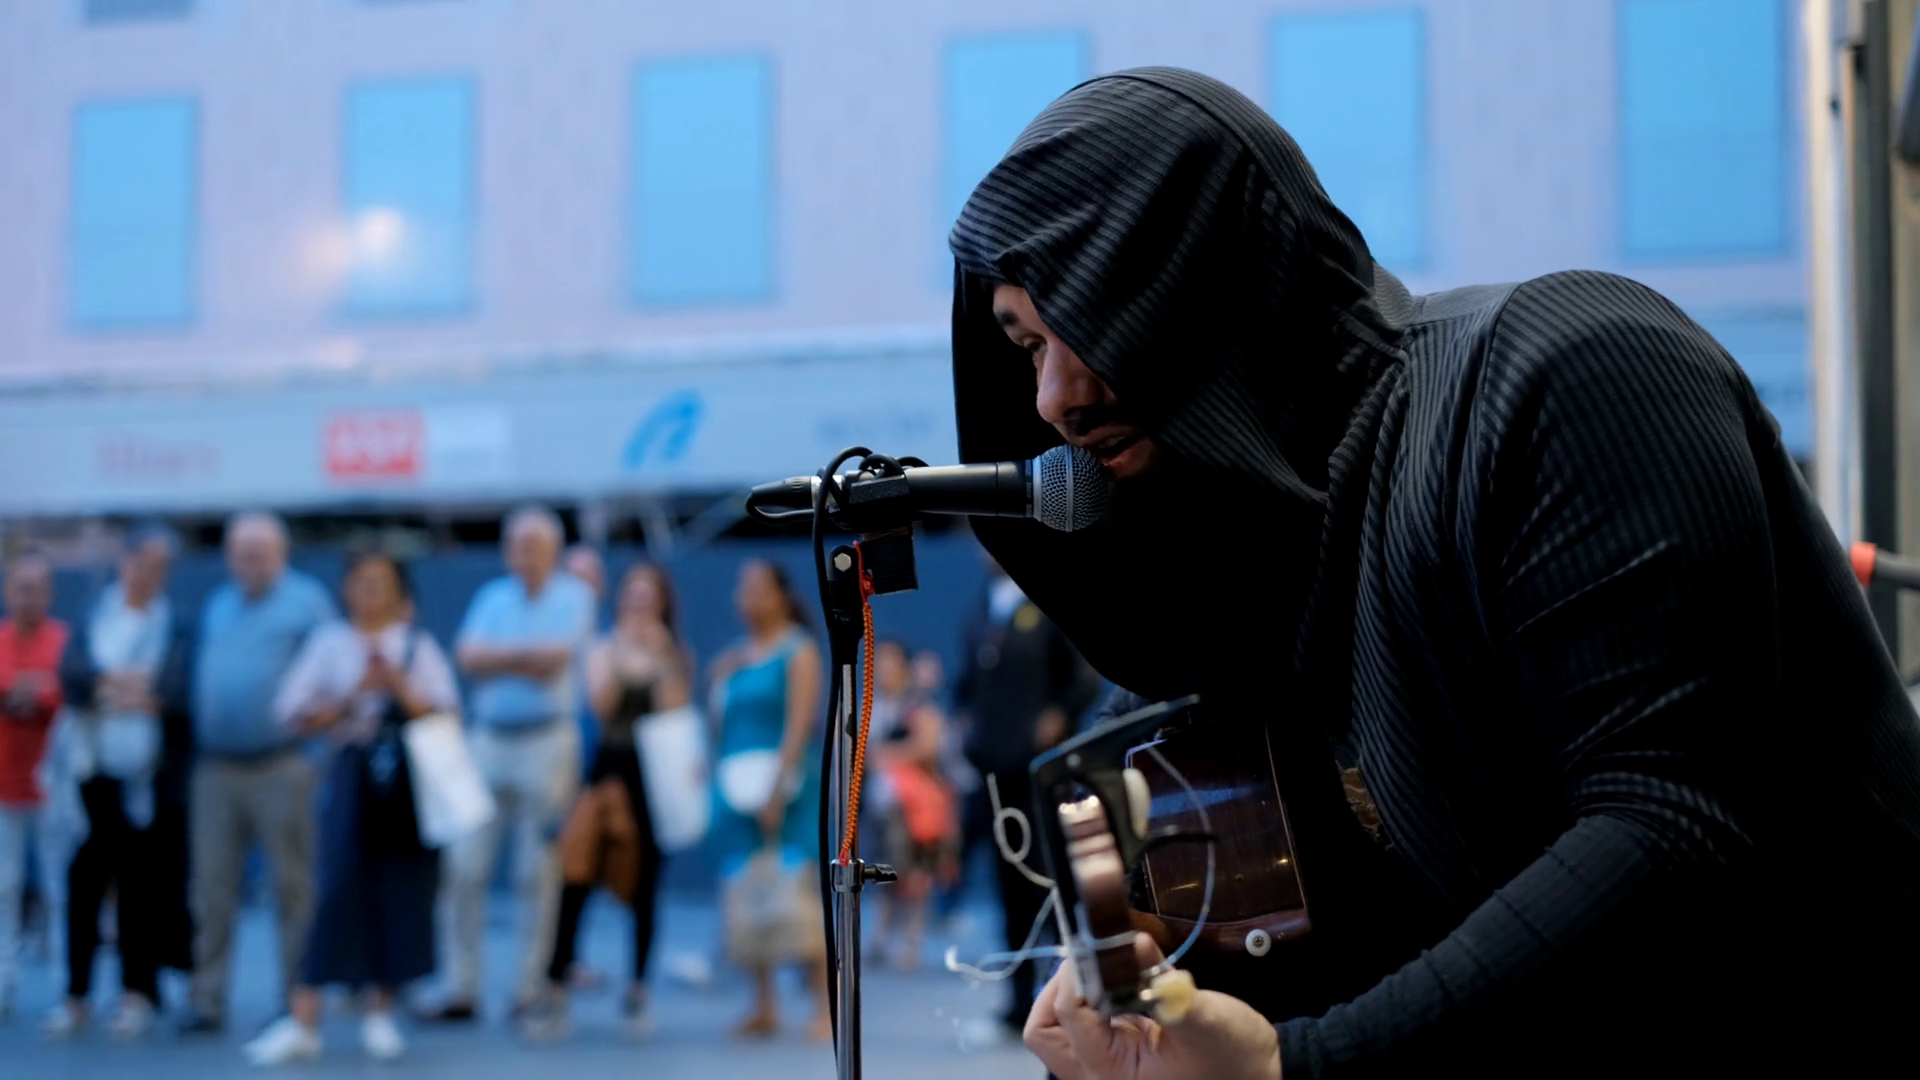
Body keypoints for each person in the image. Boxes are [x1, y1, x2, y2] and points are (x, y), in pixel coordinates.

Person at [945, 67, 1920, 1078]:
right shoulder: (1242, 602)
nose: (1055, 394)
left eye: (1087, 313)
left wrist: (1297, 1069)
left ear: (1214, 274)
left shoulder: (1569, 370)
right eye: (1024, 343)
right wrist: (1138, 1020)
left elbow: (1672, 824)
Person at [243, 551, 458, 1065]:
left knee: (398, 893)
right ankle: (305, 1018)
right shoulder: (330, 644)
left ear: (397, 593)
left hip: (405, 787)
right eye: (361, 582)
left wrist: (401, 689)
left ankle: (380, 1013)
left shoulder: (415, 645)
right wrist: (351, 698)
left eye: (380, 583)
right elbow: (291, 713)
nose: (370, 593)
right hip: (350, 778)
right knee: (337, 891)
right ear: (346, 590)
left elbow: (446, 711)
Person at [424, 505, 593, 1023]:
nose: (526, 556)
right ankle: (460, 986)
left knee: (534, 873)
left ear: (553, 551)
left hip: (547, 742)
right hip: (489, 742)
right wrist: (521, 659)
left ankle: (528, 986)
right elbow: (468, 657)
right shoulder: (492, 597)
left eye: (535, 546)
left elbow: (554, 661)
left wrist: (500, 658)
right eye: (518, 546)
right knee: (463, 867)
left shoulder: (575, 596)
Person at [182, 511, 335, 1035]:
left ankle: (297, 998)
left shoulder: (307, 602)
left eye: (260, 551)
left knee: (292, 888)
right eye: (241, 551)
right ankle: (207, 998)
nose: (250, 561)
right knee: (211, 888)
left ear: (281, 553)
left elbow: (332, 674)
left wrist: (316, 742)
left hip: (282, 765)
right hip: (217, 768)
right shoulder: (219, 604)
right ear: (228, 555)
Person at [523, 561, 689, 1041]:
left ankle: (638, 992)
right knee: (575, 877)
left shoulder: (672, 653)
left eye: (648, 598)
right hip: (607, 774)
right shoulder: (602, 647)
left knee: (645, 888)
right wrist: (625, 655)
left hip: (652, 780)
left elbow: (673, 706)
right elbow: (602, 705)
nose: (639, 607)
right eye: (632, 597)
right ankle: (555, 993)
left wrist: (659, 656)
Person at [45, 524, 194, 1040]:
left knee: (140, 890)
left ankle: (137, 992)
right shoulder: (95, 616)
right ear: (124, 563)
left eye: (158, 567)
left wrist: (134, 692)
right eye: (140, 563)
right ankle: (76, 994)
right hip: (91, 779)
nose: (147, 575)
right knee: (83, 887)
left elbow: (172, 692)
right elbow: (75, 677)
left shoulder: (173, 625)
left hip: (146, 783)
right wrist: (126, 686)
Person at [952, 554, 1099, 1050]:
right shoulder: (980, 608)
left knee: (1051, 891)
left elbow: (1083, 680)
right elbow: (967, 685)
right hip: (995, 777)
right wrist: (964, 723)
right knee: (1010, 895)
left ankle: (1068, 1002)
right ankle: (1019, 1006)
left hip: (1041, 778)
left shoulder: (1046, 602)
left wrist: (1057, 715)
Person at [708, 559, 827, 1040]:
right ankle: (763, 1002)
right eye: (743, 587)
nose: (748, 596)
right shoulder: (734, 658)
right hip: (735, 789)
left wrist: (778, 785)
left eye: (758, 587)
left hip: (786, 787)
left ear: (781, 595)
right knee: (744, 886)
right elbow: (721, 725)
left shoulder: (798, 651)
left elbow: (800, 722)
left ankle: (823, 1004)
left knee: (796, 886)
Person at [0, 551, 69, 1024]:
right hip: (4, 785)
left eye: (36, 588)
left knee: (58, 889)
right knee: (3, 888)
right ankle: (4, 982)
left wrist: (28, 692)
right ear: (8, 592)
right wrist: (30, 690)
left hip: (53, 788)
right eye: (20, 587)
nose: (28, 597)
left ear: (48, 593)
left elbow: (60, 693)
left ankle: (70, 992)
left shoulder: (64, 640)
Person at [865, 639, 955, 973]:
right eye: (878, 663)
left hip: (914, 808)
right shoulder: (869, 706)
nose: (883, 671)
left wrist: (887, 757)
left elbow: (929, 745)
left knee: (916, 875)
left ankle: (911, 941)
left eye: (890, 664)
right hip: (879, 805)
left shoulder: (918, 706)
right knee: (884, 871)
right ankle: (881, 935)